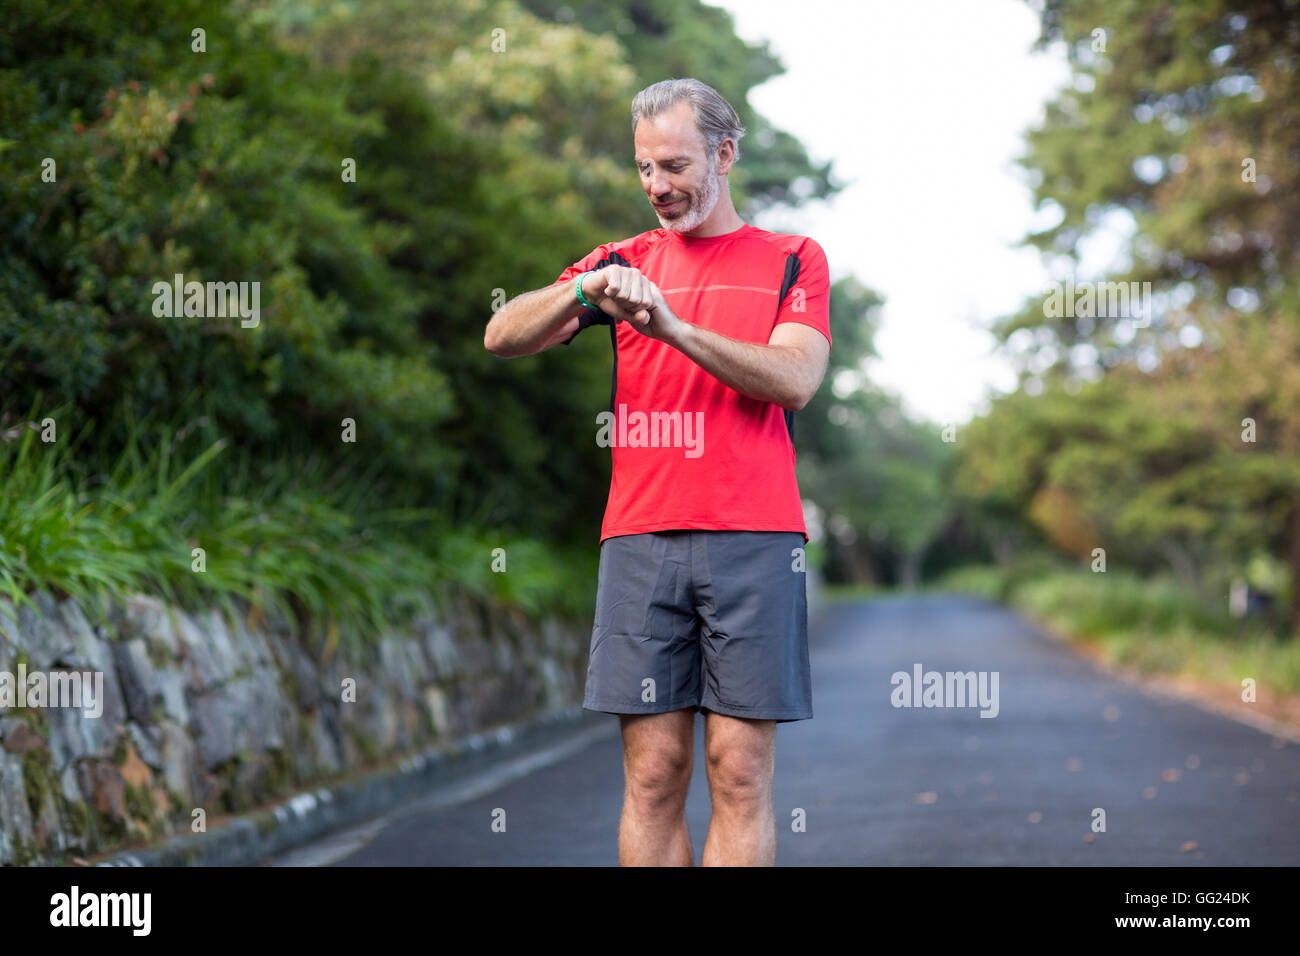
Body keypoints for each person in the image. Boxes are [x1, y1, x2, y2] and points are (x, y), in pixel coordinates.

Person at [483, 77, 831, 866]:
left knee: (739, 774)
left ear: (725, 154)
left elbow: (795, 380)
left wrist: (671, 327)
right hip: (641, 542)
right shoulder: (621, 265)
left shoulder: (792, 259)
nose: (657, 188)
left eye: (673, 166)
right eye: (644, 169)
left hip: (755, 541)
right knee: (653, 776)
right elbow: (502, 336)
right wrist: (583, 287)